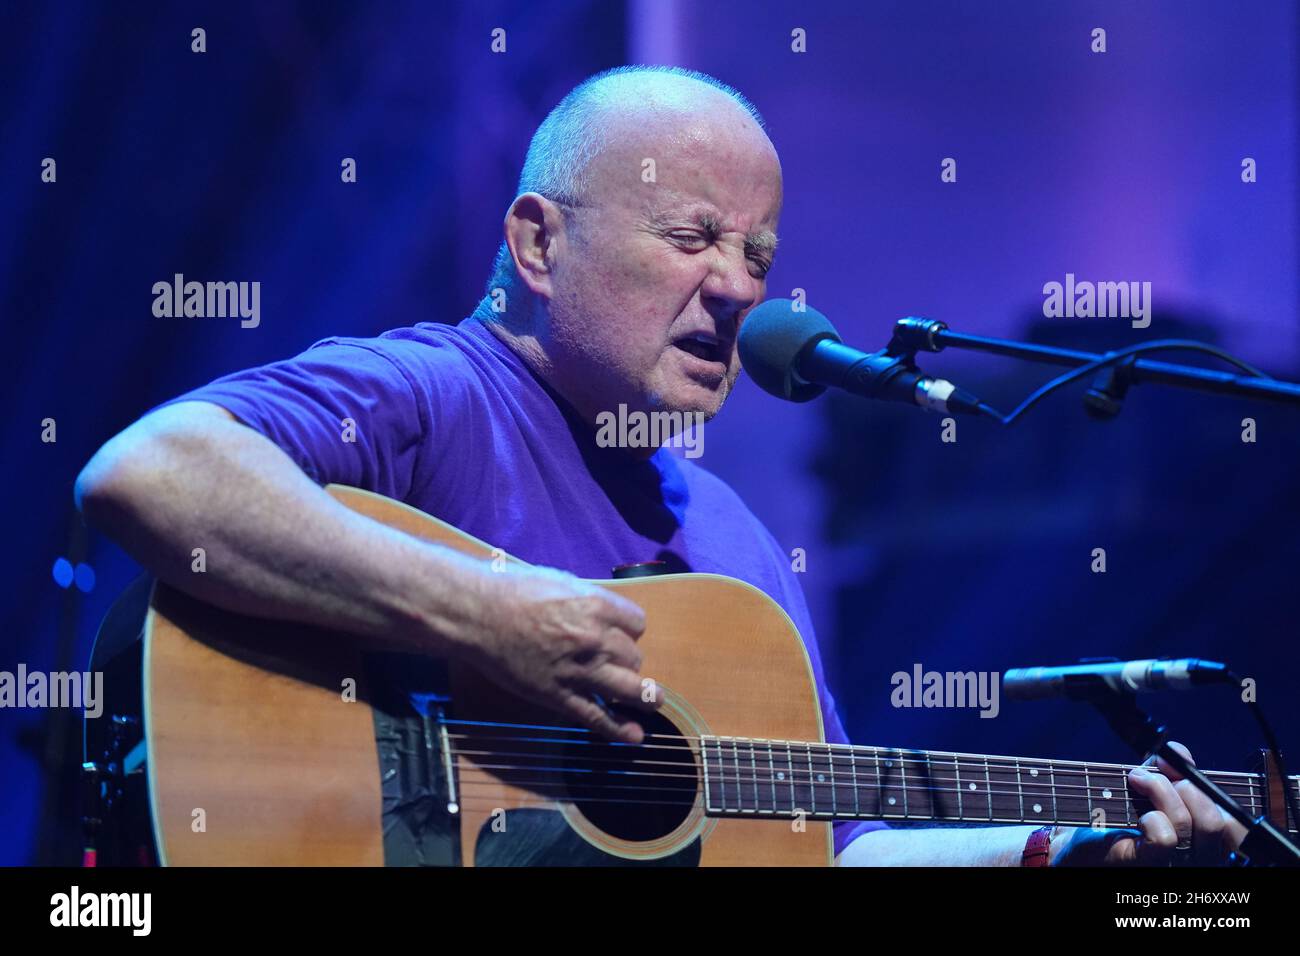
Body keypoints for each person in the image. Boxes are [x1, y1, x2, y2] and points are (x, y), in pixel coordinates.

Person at [76, 65, 1245, 866]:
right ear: (538, 241)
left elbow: (831, 841)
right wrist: (481, 613)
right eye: (691, 238)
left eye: (757, 252)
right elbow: (148, 470)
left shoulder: (729, 539)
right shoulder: (434, 391)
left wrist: (1074, 839)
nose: (738, 285)